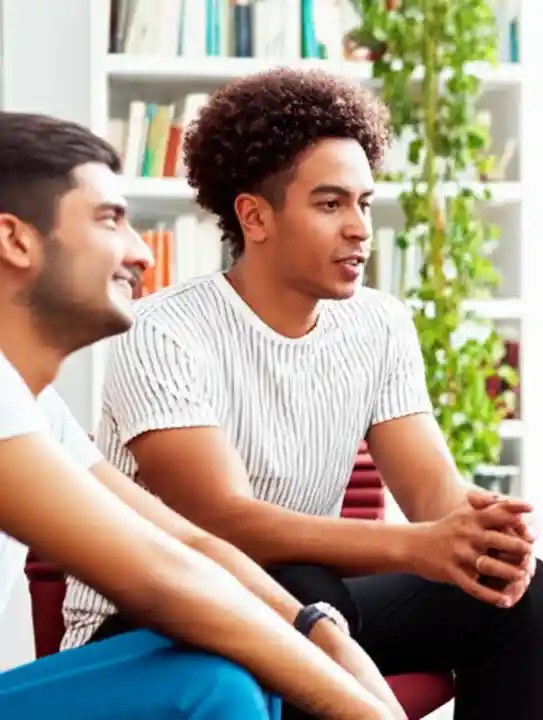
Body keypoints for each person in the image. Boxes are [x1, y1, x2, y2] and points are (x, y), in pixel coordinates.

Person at [59, 68, 543, 720]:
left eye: (364, 203)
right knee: (302, 583)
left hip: (303, 609)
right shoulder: (164, 331)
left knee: (510, 589)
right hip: (149, 621)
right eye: (330, 204)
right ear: (255, 215)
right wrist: (415, 546)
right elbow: (221, 521)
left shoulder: (378, 323)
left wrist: (482, 532)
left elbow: (432, 489)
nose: (359, 229)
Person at [0, 111, 404, 718]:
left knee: (222, 675)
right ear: (16, 240)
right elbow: (161, 578)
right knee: (216, 678)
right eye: (110, 219)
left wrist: (324, 634)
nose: (140, 253)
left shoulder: (38, 409)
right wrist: (365, 710)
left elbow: (185, 543)